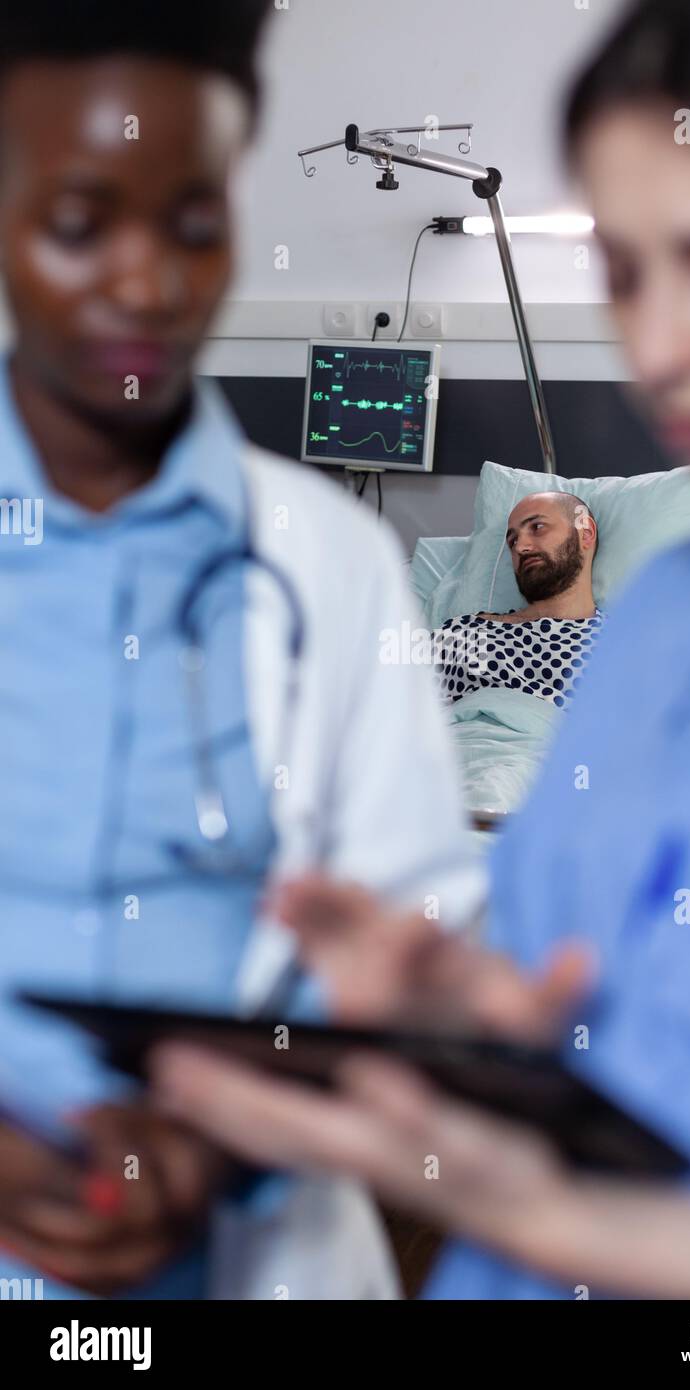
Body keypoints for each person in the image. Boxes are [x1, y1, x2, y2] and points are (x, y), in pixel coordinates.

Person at [153, 0, 690, 1300]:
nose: (656, 345)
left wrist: (559, 1224)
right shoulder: (660, 619)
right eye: (627, 273)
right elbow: (612, 1022)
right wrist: (449, 1000)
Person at [0, 0, 481, 1300]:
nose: (147, 282)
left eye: (195, 223)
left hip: (242, 1246)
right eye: (80, 222)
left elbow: (411, 928)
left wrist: (216, 1143)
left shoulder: (329, 563)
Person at [435, 493, 604, 709]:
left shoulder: (619, 644)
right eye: (512, 540)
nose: (520, 547)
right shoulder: (463, 631)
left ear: (586, 532)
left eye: (537, 527)